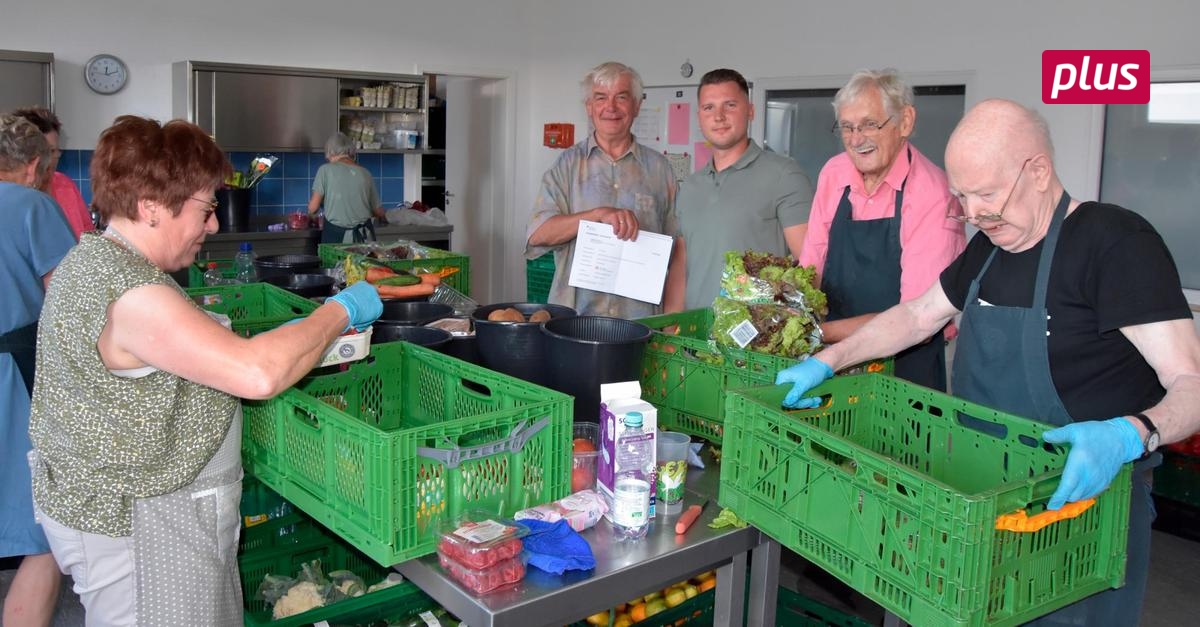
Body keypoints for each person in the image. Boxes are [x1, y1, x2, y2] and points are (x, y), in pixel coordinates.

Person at [777, 99, 1200, 625]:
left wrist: (1133, 433)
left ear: (1039, 171)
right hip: (983, 501)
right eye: (963, 196)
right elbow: (917, 315)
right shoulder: (991, 249)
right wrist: (829, 359)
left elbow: (1191, 383)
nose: (974, 213)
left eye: (987, 194)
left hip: (1082, 516)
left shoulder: (1115, 244)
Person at [27, 115, 383, 625]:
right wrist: (343, 309)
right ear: (151, 207)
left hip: (133, 509)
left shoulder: (93, 260)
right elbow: (259, 373)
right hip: (143, 529)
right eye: (206, 208)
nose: (213, 225)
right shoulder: (133, 295)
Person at [796, 69, 964, 390]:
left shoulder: (934, 194)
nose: (857, 139)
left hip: (904, 363)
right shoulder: (834, 173)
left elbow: (918, 315)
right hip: (831, 360)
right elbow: (811, 266)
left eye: (870, 124)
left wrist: (815, 331)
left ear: (905, 122)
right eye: (847, 127)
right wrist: (787, 311)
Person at [526, 61, 682, 318]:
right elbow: (537, 235)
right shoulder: (567, 165)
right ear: (589, 106)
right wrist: (597, 215)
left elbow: (678, 253)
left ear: (636, 105)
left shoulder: (660, 169)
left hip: (642, 323)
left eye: (621, 97)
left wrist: (671, 322)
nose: (610, 107)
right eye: (600, 98)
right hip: (576, 322)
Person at [0, 115, 74, 627]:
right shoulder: (32, 206)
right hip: (12, 376)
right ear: (31, 166)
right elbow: (72, 300)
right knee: (42, 526)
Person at [671, 68, 814, 311]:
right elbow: (682, 266)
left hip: (754, 340)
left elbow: (811, 266)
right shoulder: (691, 187)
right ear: (699, 117)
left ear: (750, 111)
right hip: (694, 338)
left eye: (730, 105)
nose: (719, 116)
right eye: (709, 108)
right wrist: (669, 328)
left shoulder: (784, 175)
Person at [10, 107, 93, 240]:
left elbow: (88, 237)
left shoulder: (66, 185)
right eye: (42, 152)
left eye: (53, 151)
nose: (48, 159)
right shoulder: (13, 197)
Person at [308, 132, 387, 244]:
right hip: (363, 240)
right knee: (362, 262)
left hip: (336, 239)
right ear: (350, 151)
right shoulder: (365, 173)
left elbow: (313, 208)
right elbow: (379, 211)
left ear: (330, 152)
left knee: (337, 262)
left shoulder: (325, 170)